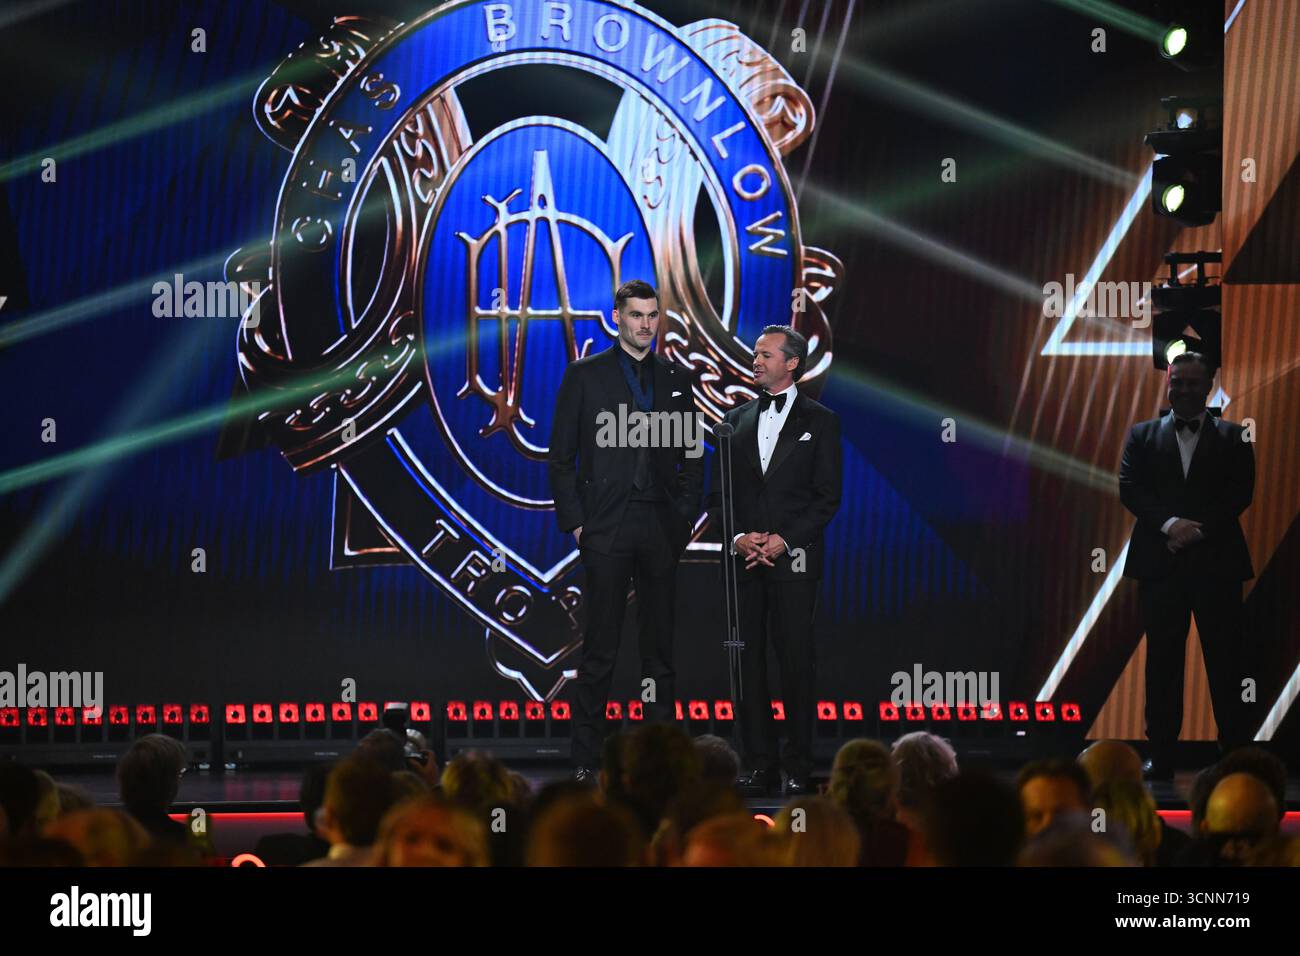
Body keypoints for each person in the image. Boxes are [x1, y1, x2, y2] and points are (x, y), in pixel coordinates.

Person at [548, 278, 703, 781]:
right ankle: (585, 761)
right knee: (599, 650)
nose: (645, 324)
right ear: (617, 317)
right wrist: (576, 524)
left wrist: (682, 518)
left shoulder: (677, 379)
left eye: (652, 315)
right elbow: (561, 457)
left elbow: (691, 456)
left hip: (659, 524)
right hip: (606, 527)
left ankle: (661, 761)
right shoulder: (585, 376)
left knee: (660, 651)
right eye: (636, 315)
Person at [706, 324, 842, 795]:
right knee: (747, 664)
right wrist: (741, 537)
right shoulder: (732, 420)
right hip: (743, 563)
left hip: (794, 562)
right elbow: (716, 496)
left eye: (766, 355)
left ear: (792, 364)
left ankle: (799, 766)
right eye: (756, 354)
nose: (756, 360)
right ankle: (758, 763)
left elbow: (827, 498)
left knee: (795, 662)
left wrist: (784, 540)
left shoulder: (821, 422)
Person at [1119, 351, 1256, 780]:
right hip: (1161, 565)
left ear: (1209, 386)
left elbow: (1241, 493)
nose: (1182, 389)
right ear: (1168, 383)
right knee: (1161, 664)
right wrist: (1171, 524)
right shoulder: (1141, 436)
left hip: (1217, 565)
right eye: (1176, 381)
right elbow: (1130, 488)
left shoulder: (1236, 437)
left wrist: (1198, 530)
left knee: (1226, 664)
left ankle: (1233, 758)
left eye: (1192, 383)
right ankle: (1161, 756)